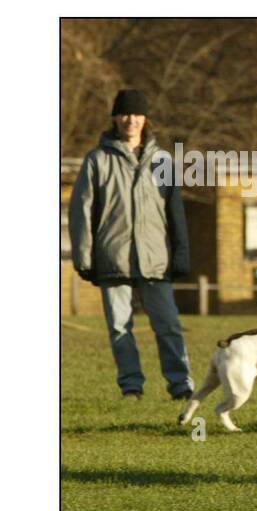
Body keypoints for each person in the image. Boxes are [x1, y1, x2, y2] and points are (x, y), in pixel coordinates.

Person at [69, 88, 193, 401]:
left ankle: (181, 386)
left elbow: (175, 212)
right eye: (124, 114)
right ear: (114, 118)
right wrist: (84, 258)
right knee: (120, 327)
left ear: (146, 119)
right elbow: (81, 211)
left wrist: (180, 254)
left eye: (137, 114)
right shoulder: (97, 160)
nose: (130, 120)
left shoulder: (163, 160)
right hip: (113, 257)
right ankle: (131, 386)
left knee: (168, 325)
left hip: (155, 259)